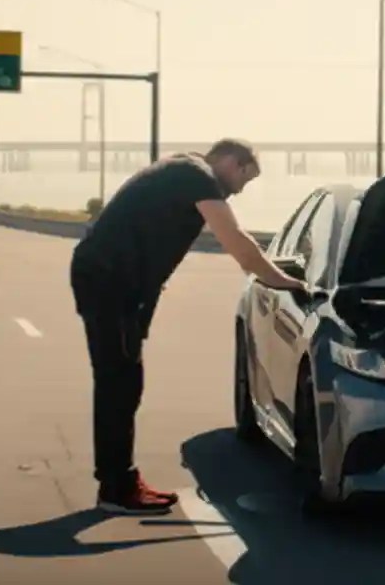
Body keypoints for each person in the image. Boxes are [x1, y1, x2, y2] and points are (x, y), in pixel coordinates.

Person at [69, 138, 307, 515]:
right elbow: (237, 242)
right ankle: (116, 487)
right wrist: (285, 282)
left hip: (114, 282)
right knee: (119, 382)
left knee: (123, 380)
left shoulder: (183, 168)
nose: (242, 188)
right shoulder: (198, 177)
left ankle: (119, 481)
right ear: (234, 162)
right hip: (111, 282)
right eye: (247, 177)